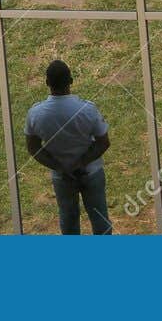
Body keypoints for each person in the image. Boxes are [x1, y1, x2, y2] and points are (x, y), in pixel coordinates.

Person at [25, 60, 112, 235]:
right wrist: (81, 163)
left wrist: (61, 167)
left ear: (47, 83)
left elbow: (33, 148)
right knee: (100, 220)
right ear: (71, 81)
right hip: (91, 172)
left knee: (68, 220)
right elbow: (103, 142)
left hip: (62, 177)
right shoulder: (87, 110)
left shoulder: (35, 114)